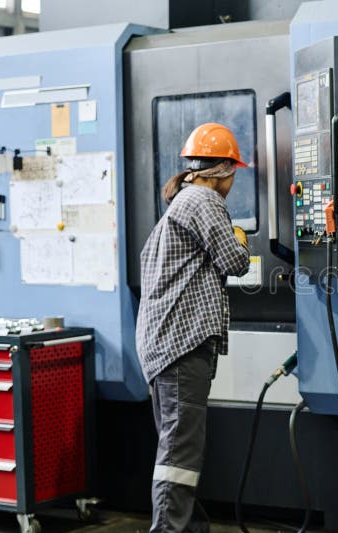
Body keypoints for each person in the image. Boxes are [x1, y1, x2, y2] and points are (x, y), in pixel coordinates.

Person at [136, 122, 250, 532]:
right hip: (181, 345)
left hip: (164, 344)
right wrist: (239, 238)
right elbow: (235, 261)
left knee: (178, 446)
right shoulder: (204, 200)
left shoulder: (181, 202)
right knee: (179, 452)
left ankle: (188, 527)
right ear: (225, 171)